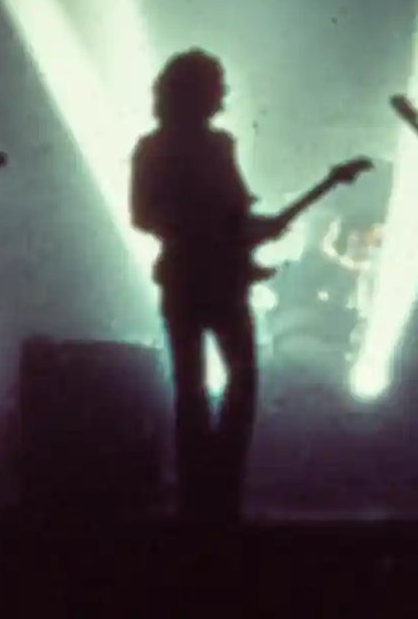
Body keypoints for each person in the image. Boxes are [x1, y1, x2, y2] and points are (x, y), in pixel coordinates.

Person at [130, 50, 284, 520]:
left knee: (196, 385)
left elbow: (154, 215)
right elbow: (146, 215)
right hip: (205, 275)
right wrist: (232, 230)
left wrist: (248, 228)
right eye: (216, 86)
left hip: (190, 275)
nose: (224, 95)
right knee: (230, 380)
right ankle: (217, 484)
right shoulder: (193, 147)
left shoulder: (177, 145)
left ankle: (203, 486)